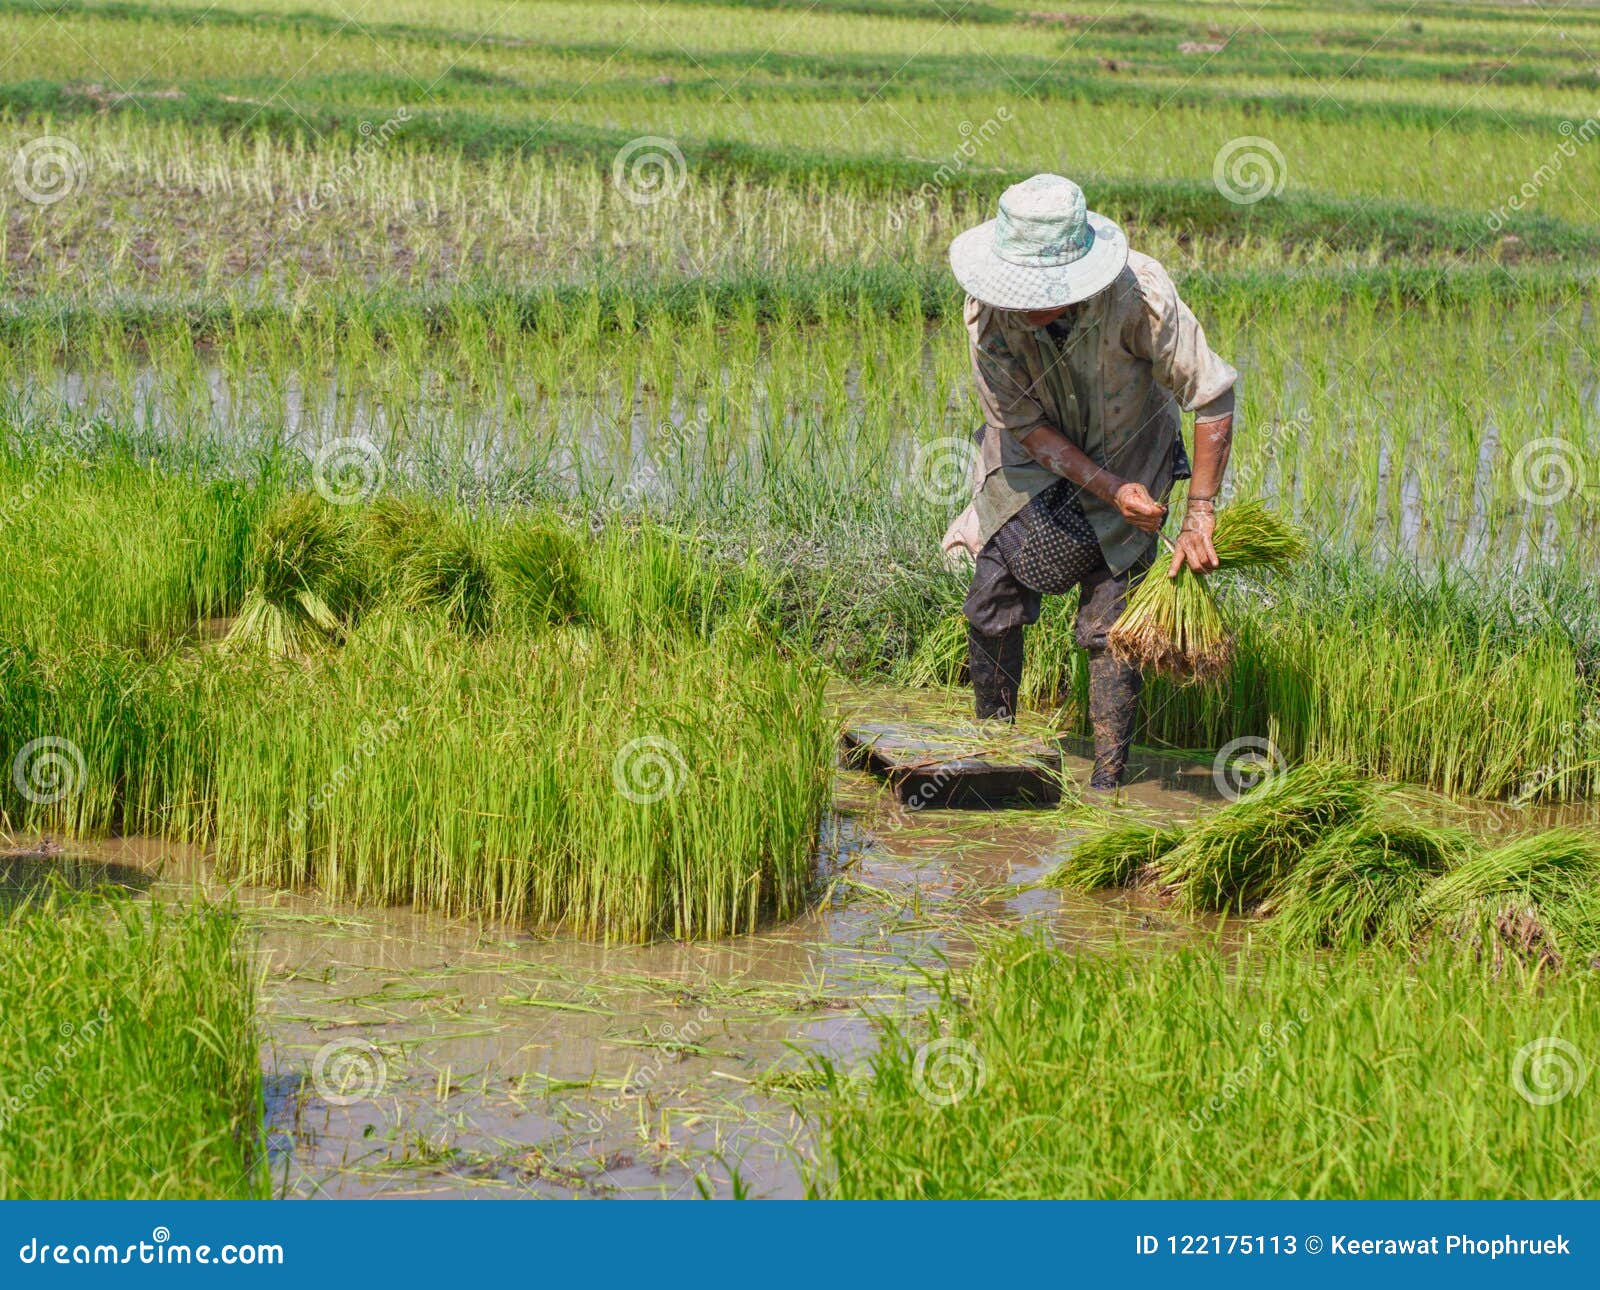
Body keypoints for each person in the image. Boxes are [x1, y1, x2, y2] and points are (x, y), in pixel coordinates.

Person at [942, 173, 1237, 790]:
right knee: (991, 595)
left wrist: (1199, 513)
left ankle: (1108, 784)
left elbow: (1211, 396)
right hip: (1032, 455)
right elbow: (1022, 423)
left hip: (1134, 453)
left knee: (1112, 626)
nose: (1023, 306)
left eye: (1038, 294)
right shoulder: (989, 318)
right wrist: (1102, 486)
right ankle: (993, 750)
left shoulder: (1140, 298)